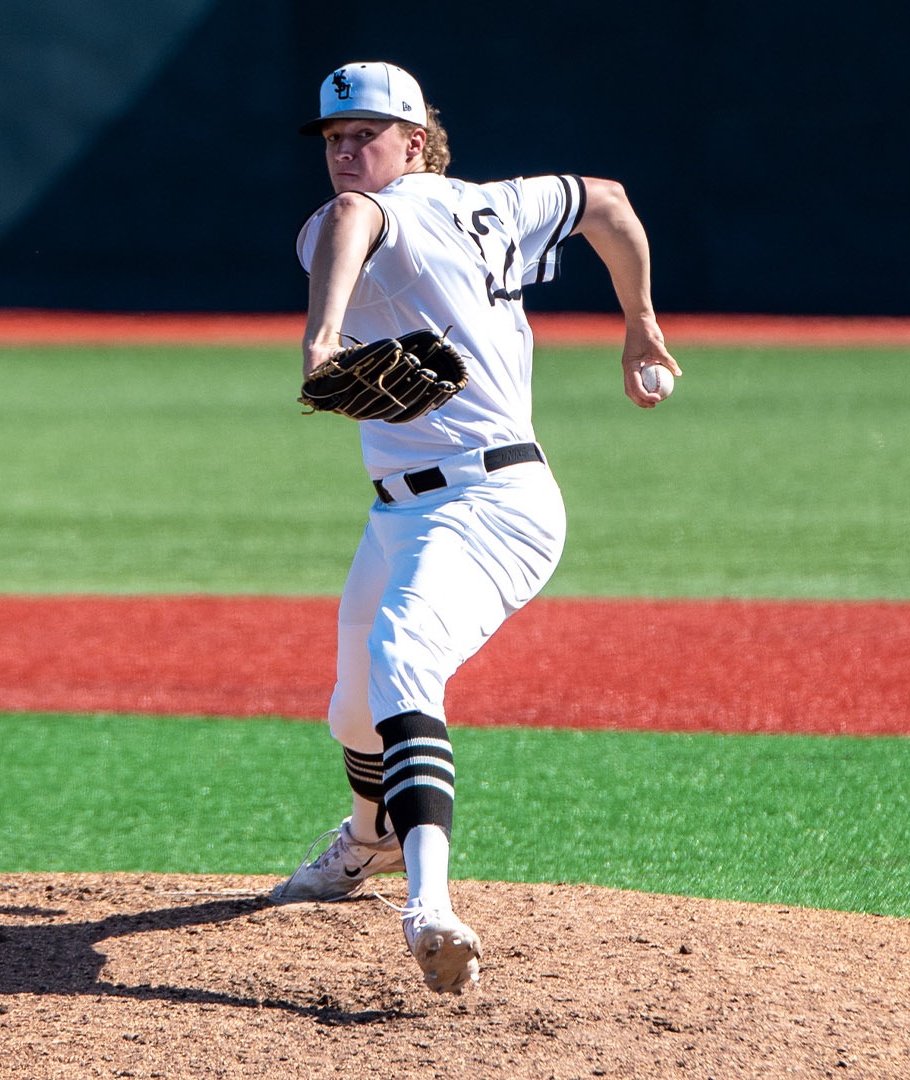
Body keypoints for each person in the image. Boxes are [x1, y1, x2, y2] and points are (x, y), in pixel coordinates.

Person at [269, 60, 681, 995]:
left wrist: (322, 337)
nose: (343, 152)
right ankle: (367, 842)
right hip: (402, 515)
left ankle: (431, 905)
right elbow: (607, 201)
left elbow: (351, 220)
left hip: (490, 505)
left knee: (403, 657)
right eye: (333, 137)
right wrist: (640, 321)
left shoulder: (370, 212)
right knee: (352, 709)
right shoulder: (502, 203)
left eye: (364, 134)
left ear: (415, 140)